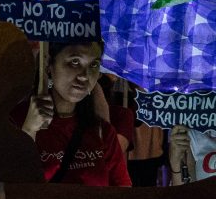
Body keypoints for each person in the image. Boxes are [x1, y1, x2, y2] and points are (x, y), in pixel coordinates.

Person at [18, 39, 131, 185]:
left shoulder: (102, 130)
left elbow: (122, 193)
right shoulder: (16, 121)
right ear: (48, 64)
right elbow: (10, 186)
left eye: (94, 64)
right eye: (75, 62)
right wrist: (28, 131)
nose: (84, 75)